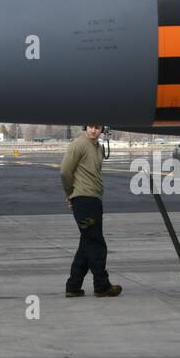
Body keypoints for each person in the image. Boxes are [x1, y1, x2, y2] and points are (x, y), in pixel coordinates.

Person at [60, 124, 122, 298]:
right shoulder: (79, 144)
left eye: (98, 127)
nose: (94, 130)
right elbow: (65, 171)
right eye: (91, 127)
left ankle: (73, 286)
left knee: (86, 243)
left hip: (93, 200)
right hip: (84, 201)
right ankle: (102, 285)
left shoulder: (98, 147)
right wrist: (70, 194)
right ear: (85, 127)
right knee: (95, 243)